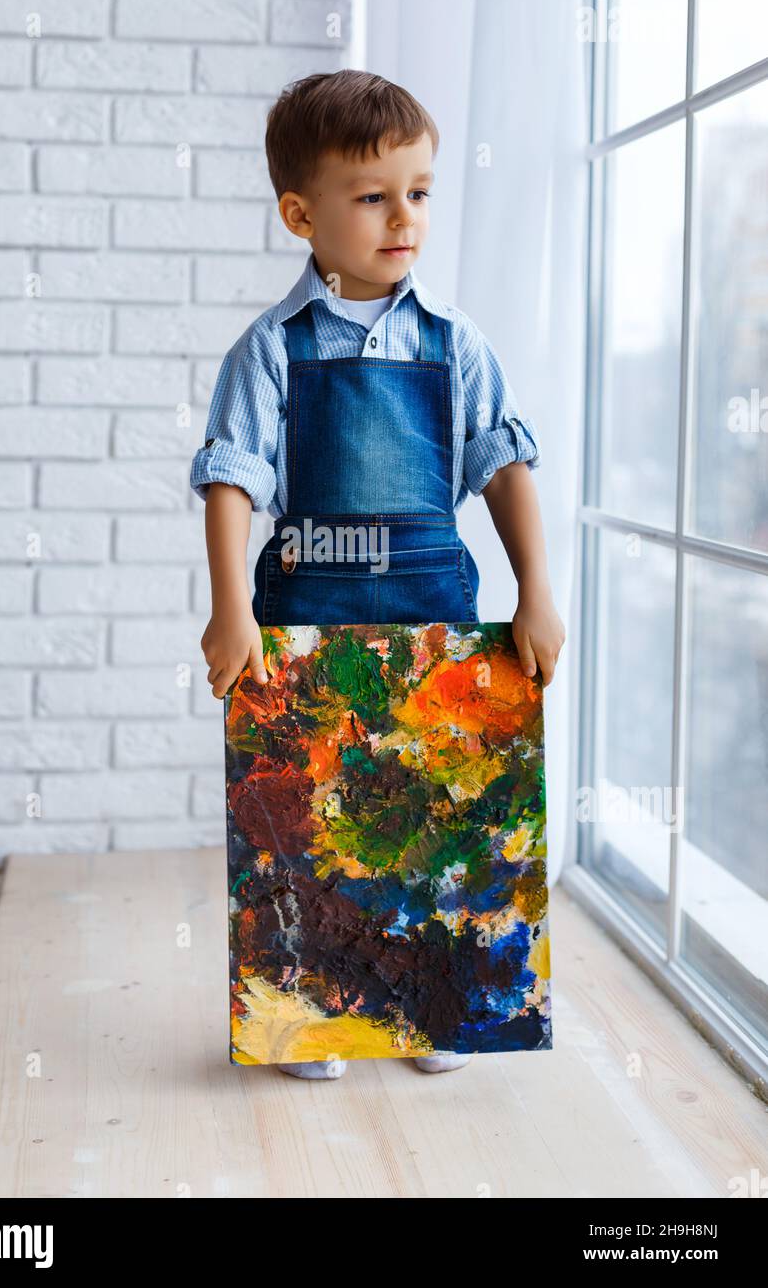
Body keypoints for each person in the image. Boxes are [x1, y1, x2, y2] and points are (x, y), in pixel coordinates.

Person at [191, 69, 565, 1079]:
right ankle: (311, 1013)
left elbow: (502, 464)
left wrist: (534, 588)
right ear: (299, 213)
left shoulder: (456, 344)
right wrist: (233, 611)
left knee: (430, 823)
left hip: (432, 611)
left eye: (420, 190)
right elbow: (231, 483)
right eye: (372, 196)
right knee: (310, 827)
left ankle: (432, 1004)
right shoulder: (268, 352)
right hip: (305, 610)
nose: (404, 216)